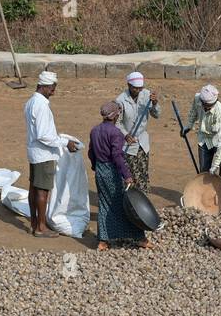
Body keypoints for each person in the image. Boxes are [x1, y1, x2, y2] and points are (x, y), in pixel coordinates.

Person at [23, 70, 80, 238]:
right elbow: (43, 135)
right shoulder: (40, 105)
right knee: (42, 191)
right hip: (44, 154)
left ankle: (35, 221)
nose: (54, 91)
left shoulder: (31, 102)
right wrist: (65, 143)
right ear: (43, 86)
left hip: (35, 152)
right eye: (52, 87)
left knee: (34, 188)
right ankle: (41, 227)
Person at [89, 101, 148, 250]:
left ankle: (103, 240)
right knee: (124, 205)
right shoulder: (115, 133)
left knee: (104, 203)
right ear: (116, 115)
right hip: (111, 171)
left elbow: (91, 152)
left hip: (100, 170)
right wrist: (127, 175)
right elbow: (117, 156)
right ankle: (139, 238)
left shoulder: (95, 131)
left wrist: (95, 166)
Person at [182, 83, 221, 213]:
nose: (205, 108)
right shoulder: (198, 99)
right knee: (204, 172)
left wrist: (214, 166)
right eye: (204, 105)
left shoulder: (220, 114)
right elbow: (193, 111)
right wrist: (188, 126)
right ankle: (202, 201)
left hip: (218, 141)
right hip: (204, 139)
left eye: (208, 106)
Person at [114, 71, 159, 191]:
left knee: (142, 174)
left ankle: (142, 201)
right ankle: (129, 202)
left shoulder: (147, 95)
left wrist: (155, 104)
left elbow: (157, 114)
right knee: (129, 175)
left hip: (142, 143)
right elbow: (117, 122)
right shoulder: (120, 100)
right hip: (127, 144)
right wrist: (125, 135)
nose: (138, 91)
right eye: (135, 88)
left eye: (140, 88)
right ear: (129, 85)